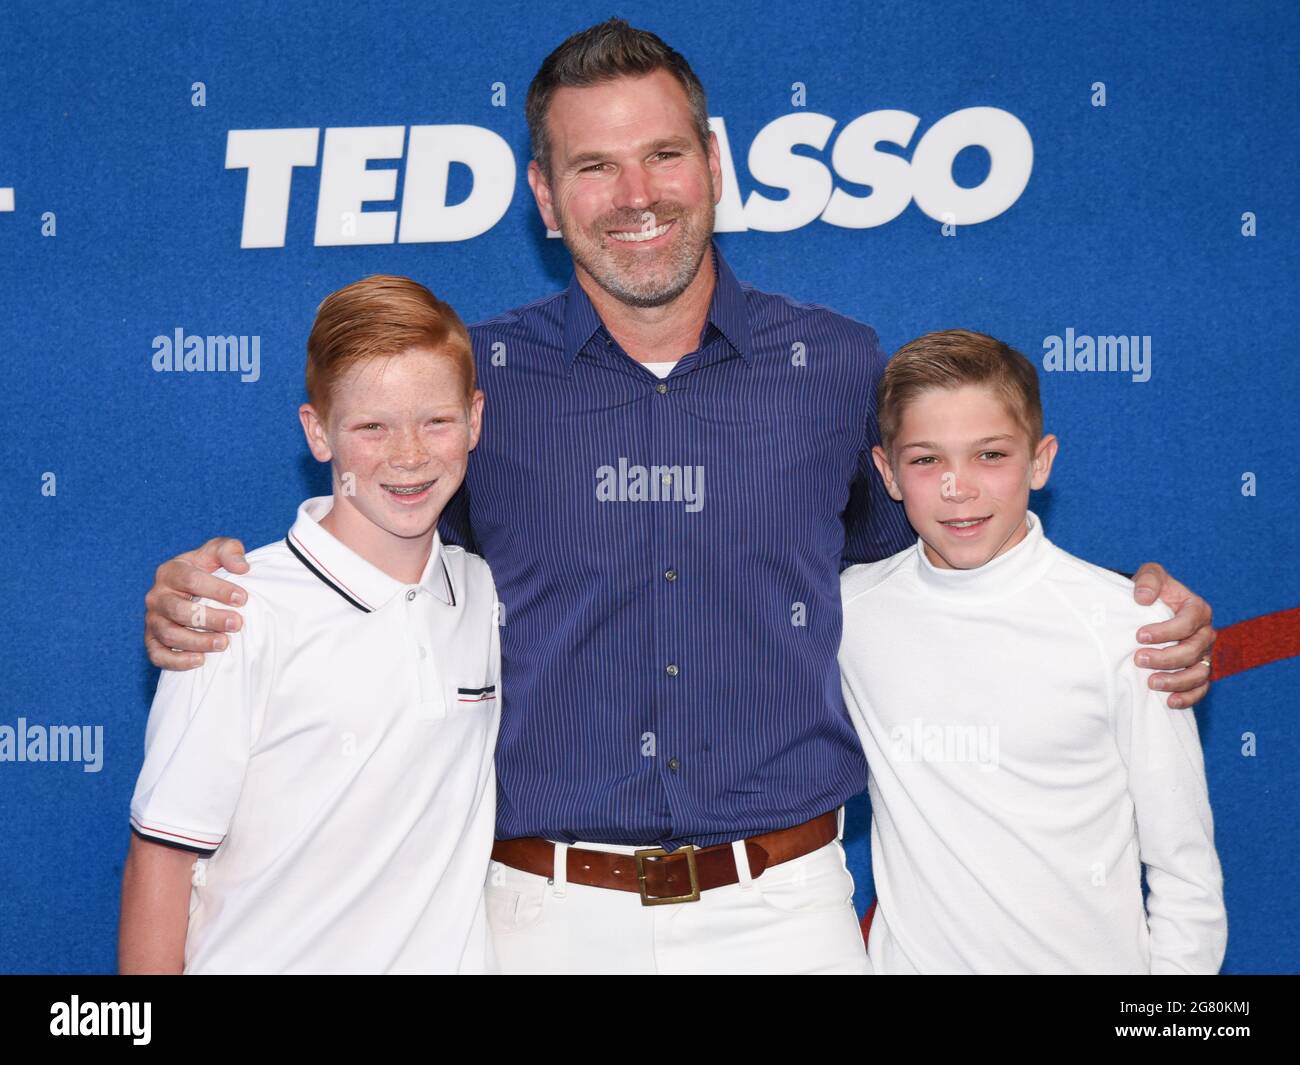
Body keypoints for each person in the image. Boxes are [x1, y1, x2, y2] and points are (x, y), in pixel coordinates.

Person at [138, 21, 1216, 975]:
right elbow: (377, 551)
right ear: (546, 199)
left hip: (785, 914)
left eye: (662, 155)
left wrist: (1137, 618)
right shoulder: (482, 389)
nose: (637, 195)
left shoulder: (836, 369)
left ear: (712, 165)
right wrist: (205, 593)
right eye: (594, 167)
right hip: (536, 920)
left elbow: (946, 574)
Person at [119, 276, 500, 974]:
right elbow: (162, 859)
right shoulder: (236, 611)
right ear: (318, 432)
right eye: (371, 426)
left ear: (474, 419)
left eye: (436, 421)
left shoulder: (480, 592)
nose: (409, 455)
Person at [839, 329, 1227, 974]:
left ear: (1040, 461)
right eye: (927, 460)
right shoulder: (847, 613)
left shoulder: (1127, 626)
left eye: (991, 455)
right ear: (887, 473)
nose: (958, 488)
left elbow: (1184, 866)